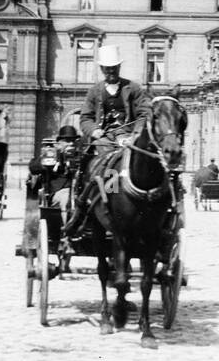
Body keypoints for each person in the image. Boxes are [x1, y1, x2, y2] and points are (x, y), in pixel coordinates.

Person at [64, 44, 153, 239]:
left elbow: (145, 114)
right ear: (102, 69)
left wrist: (134, 135)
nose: (111, 71)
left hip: (127, 136)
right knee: (100, 161)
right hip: (102, 137)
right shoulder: (94, 91)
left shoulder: (134, 89)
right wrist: (94, 131)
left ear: (119, 68)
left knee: (135, 160)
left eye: (114, 68)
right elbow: (85, 118)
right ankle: (102, 200)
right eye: (107, 68)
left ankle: (133, 202)